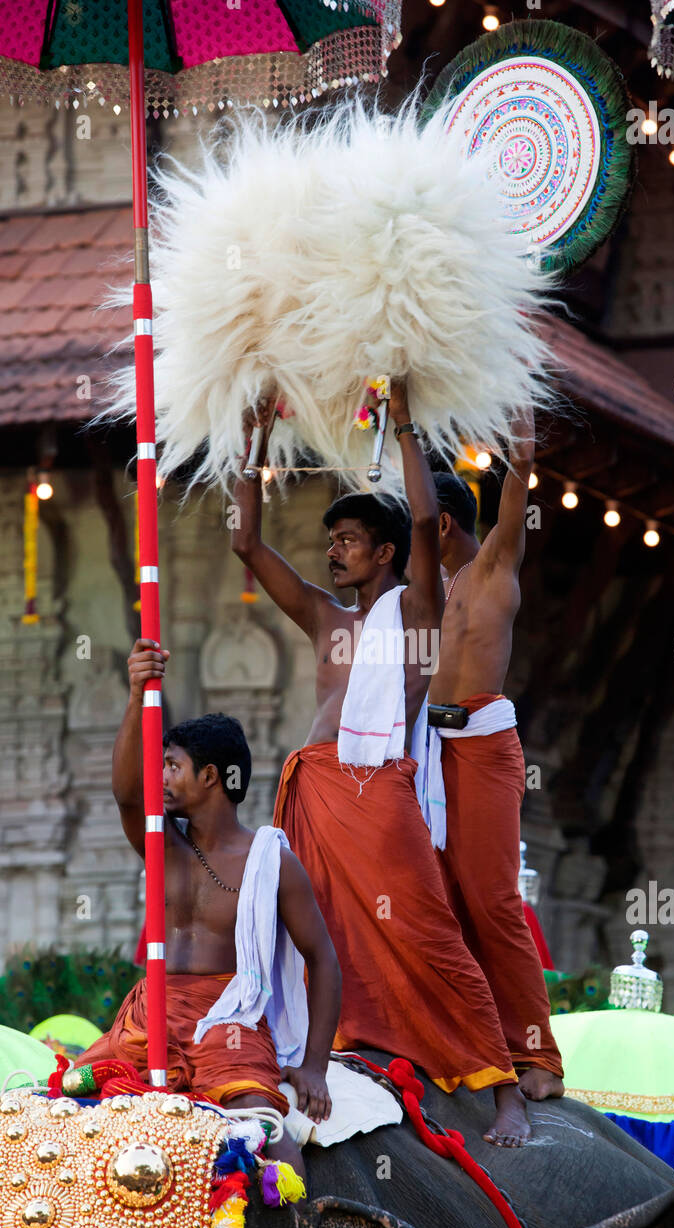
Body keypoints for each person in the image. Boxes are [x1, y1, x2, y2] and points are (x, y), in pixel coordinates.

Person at [232, 382, 534, 1145]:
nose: (333, 550)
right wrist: (255, 446)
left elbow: (428, 515)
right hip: (316, 788)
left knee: (429, 931)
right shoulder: (324, 619)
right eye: (332, 540)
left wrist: (401, 422)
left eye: (350, 538)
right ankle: (324, 1053)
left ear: (388, 552)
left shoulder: (418, 613)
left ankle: (503, 1091)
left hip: (382, 791)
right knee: (314, 928)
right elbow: (245, 544)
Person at [77, 638, 342, 1180]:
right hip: (150, 1013)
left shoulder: (272, 861)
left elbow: (325, 960)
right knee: (67, 1107)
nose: (161, 778)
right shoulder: (162, 842)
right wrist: (135, 694)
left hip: (231, 1019)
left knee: (264, 1133)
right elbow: (128, 795)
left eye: (172, 766)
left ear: (211, 778)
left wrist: (314, 1065)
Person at [418, 406, 564, 1102]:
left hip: (481, 747)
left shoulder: (493, 564)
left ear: (442, 523)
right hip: (431, 751)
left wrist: (522, 443)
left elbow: (517, 486)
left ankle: (540, 1058)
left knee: (496, 902)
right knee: (438, 899)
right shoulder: (429, 592)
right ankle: (469, 1042)